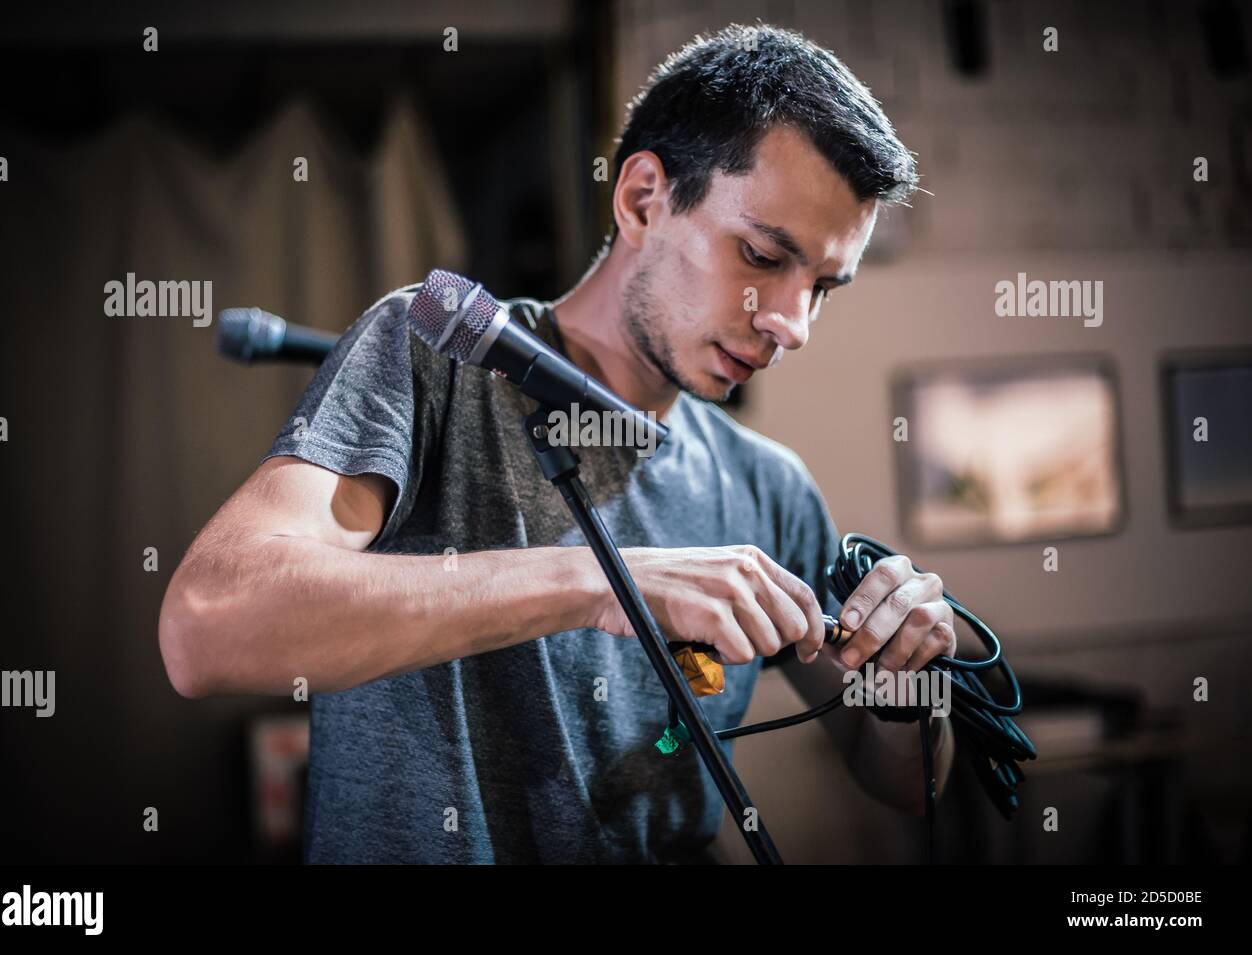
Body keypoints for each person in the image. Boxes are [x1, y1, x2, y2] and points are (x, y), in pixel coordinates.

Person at [159, 23, 958, 864]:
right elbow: (207, 625)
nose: (792, 324)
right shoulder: (434, 360)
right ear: (645, 197)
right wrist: (603, 579)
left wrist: (902, 686)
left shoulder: (767, 487)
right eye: (762, 255)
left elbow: (905, 781)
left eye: (823, 288)